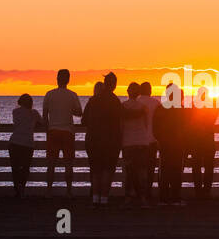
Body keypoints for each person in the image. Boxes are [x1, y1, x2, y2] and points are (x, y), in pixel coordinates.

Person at [82, 73, 123, 206]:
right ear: (114, 84)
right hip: (110, 142)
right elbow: (122, 119)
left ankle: (95, 198)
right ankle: (104, 199)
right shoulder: (115, 101)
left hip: (93, 140)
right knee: (107, 170)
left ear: (105, 83)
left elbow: (84, 120)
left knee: (96, 170)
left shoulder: (93, 100)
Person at [42, 69, 82, 196]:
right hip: (67, 132)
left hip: (53, 131)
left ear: (57, 79)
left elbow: (44, 116)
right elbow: (79, 113)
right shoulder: (72, 95)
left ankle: (48, 191)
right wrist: (69, 110)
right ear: (68, 80)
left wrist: (47, 130)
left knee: (51, 164)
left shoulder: (49, 94)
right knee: (68, 164)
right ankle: (69, 191)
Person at [154, 83, 187, 205]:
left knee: (164, 171)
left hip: (164, 144)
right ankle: (175, 198)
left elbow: (155, 128)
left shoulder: (161, 109)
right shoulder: (181, 110)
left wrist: (159, 140)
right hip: (178, 144)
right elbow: (186, 127)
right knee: (176, 171)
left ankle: (163, 198)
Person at [120, 82, 153, 208]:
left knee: (129, 171)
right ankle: (143, 199)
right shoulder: (143, 107)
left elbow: (121, 126)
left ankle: (128, 197)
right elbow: (146, 124)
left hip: (128, 142)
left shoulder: (123, 107)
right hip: (141, 142)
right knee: (142, 171)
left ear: (128, 92)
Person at [187, 86, 218, 199]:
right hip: (208, 140)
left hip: (196, 140)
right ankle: (206, 191)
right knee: (208, 166)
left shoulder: (193, 106)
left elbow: (190, 122)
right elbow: (213, 119)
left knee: (197, 166)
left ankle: (198, 191)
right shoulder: (213, 106)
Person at [9, 93, 41, 198]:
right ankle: (22, 188)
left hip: (15, 142)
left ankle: (16, 189)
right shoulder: (34, 113)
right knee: (25, 167)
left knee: (15, 167)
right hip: (28, 144)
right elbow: (43, 122)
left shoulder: (15, 112)